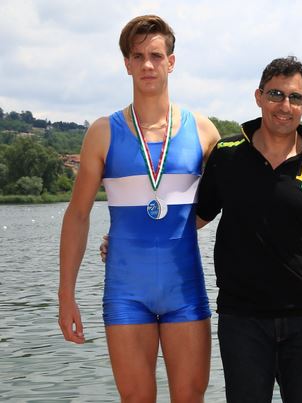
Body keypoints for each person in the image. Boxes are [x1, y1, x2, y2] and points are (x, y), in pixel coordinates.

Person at [58, 15, 220, 402]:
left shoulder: (202, 130)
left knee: (190, 397)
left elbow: (241, 190)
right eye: (138, 56)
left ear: (171, 61)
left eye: (155, 55)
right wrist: (66, 295)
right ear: (127, 64)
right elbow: (78, 215)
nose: (148, 64)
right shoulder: (102, 132)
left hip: (185, 292)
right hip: (126, 293)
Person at [194, 56, 302, 402]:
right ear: (259, 96)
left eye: (295, 97)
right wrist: (131, 236)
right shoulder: (227, 153)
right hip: (242, 318)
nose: (285, 105)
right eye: (276, 94)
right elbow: (197, 216)